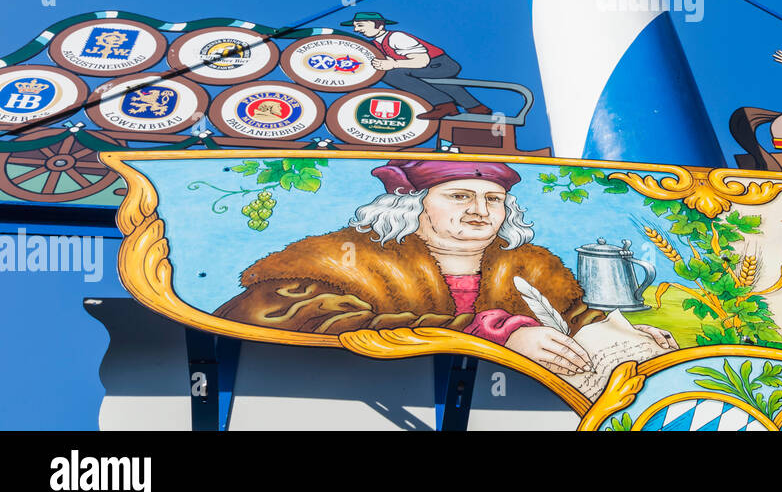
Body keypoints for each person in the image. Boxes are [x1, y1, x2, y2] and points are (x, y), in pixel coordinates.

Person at [212, 161, 678, 375]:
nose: (480, 210)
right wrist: (494, 333)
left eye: (493, 199)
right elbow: (299, 316)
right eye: (459, 196)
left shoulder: (531, 266)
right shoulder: (343, 257)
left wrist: (616, 335)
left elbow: (571, 317)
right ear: (413, 205)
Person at [343, 12, 490, 120]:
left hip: (440, 64)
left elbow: (422, 61)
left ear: (379, 25)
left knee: (391, 74)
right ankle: (475, 107)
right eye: (355, 26)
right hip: (426, 66)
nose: (356, 30)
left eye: (360, 25)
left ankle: (444, 105)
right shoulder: (376, 43)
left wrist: (393, 64)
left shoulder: (397, 37)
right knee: (406, 75)